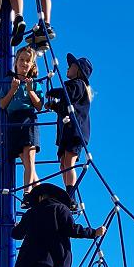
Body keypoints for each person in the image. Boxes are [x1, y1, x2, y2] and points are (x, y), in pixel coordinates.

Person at [45, 53, 93, 203]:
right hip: (68, 130)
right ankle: (68, 193)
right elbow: (65, 106)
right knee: (64, 164)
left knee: (69, 162)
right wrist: (54, 106)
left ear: (78, 70)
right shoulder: (77, 87)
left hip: (74, 131)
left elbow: (68, 95)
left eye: (71, 65)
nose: (68, 67)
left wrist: (54, 92)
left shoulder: (78, 84)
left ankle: (70, 195)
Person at [0, 45, 43, 194]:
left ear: (32, 65)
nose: (24, 63)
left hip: (28, 118)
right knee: (25, 161)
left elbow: (39, 106)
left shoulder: (35, 83)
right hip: (13, 121)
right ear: (16, 61)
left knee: (30, 158)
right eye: (22, 60)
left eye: (28, 61)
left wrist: (30, 90)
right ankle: (41, 192)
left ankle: (27, 193)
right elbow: (2, 104)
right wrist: (12, 89)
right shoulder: (7, 81)